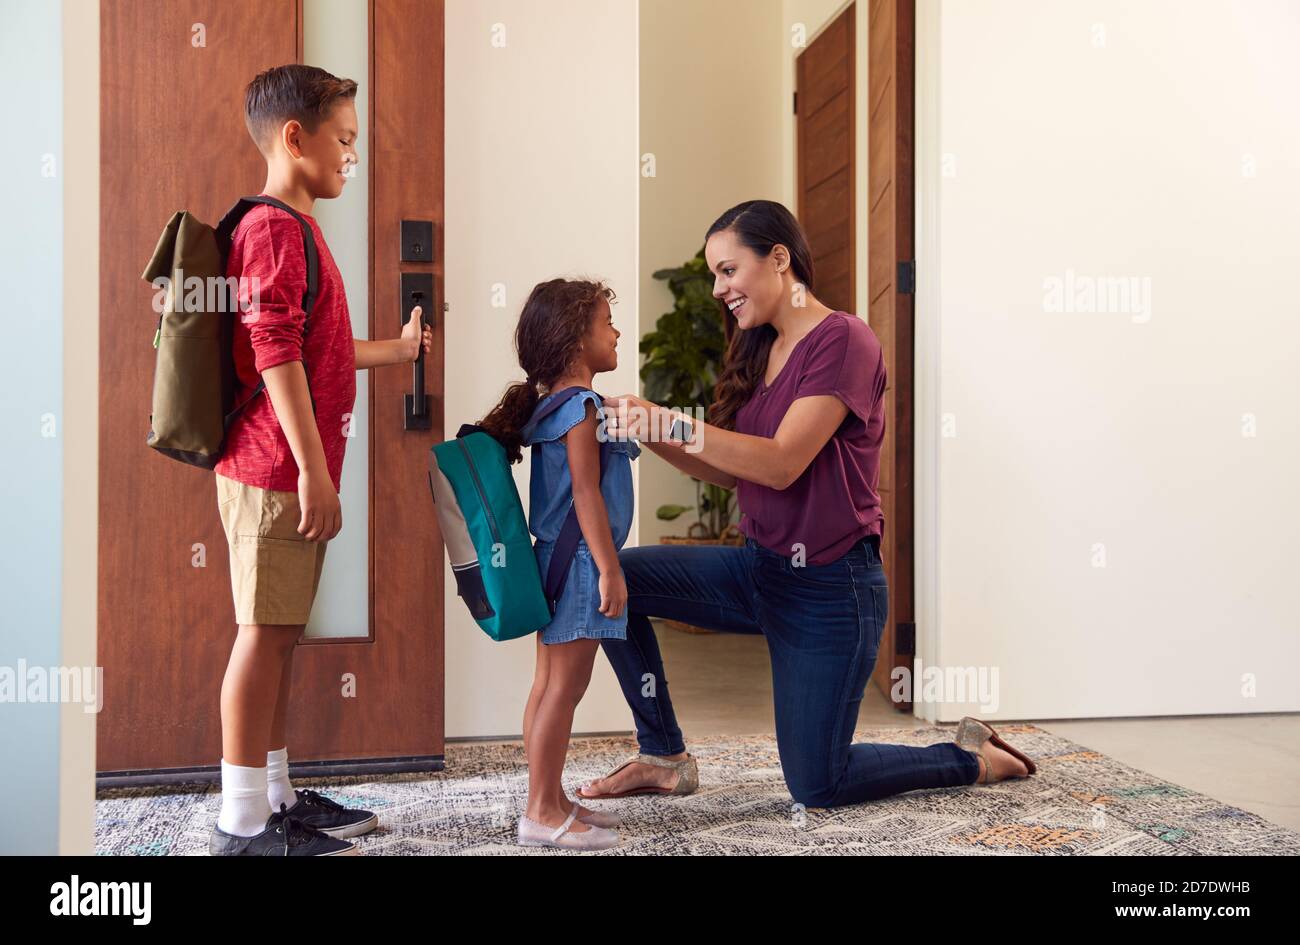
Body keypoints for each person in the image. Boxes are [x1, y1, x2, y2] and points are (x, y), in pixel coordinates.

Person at [579, 199, 1035, 809]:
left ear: (778, 258)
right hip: (759, 569)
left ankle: (971, 758)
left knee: (818, 783)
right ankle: (663, 755)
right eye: (714, 275)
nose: (718, 289)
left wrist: (668, 420)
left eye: (728, 270)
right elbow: (729, 472)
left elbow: (781, 461)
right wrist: (649, 432)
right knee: (606, 582)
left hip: (831, 590)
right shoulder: (758, 351)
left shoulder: (845, 339)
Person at [209, 64, 432, 856]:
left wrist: (398, 350)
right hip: (274, 469)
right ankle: (241, 824)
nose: (353, 156)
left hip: (282, 467)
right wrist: (313, 468)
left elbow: (319, 347)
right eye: (344, 140)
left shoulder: (294, 228)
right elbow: (274, 352)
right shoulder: (272, 229)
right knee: (261, 636)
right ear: (294, 138)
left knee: (278, 635)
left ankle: (274, 796)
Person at [479, 278, 638, 850]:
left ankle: (547, 797)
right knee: (564, 690)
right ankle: (540, 812)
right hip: (578, 567)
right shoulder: (583, 407)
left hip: (553, 560)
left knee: (546, 684)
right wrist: (609, 568)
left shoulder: (555, 405)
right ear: (577, 341)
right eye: (605, 324)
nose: (616, 331)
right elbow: (586, 493)